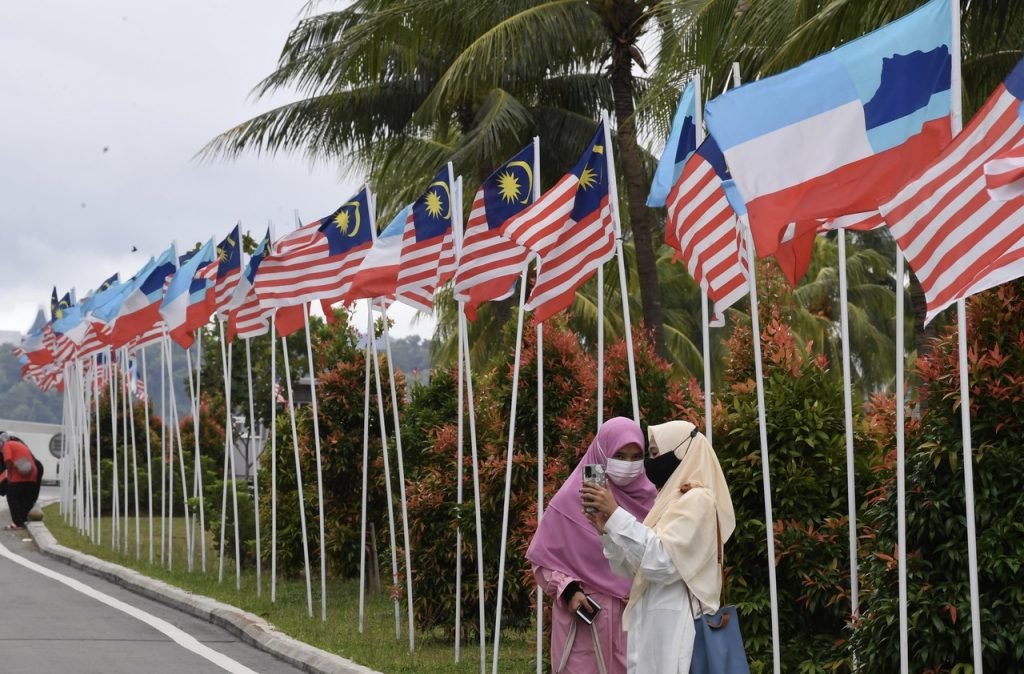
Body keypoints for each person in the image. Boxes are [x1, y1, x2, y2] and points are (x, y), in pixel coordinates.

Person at [581, 420, 736, 674]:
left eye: (654, 454)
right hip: (656, 627)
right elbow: (637, 569)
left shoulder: (698, 500)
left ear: (680, 452)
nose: (650, 464)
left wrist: (616, 514)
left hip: (678, 628)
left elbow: (663, 561)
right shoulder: (670, 501)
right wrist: (607, 531)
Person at [527, 417, 656, 674]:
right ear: (601, 451)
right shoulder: (570, 500)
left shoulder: (652, 498)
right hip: (585, 618)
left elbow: (661, 553)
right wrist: (568, 590)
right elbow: (543, 561)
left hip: (636, 618)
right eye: (619, 455)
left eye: (635, 457)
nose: (627, 465)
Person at [1, 432, 44, 530]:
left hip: (19, 476)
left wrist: (10, 476)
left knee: (12, 497)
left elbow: (8, 460)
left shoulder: (7, 445)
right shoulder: (20, 444)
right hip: (32, 475)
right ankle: (22, 521)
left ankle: (17, 523)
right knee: (25, 500)